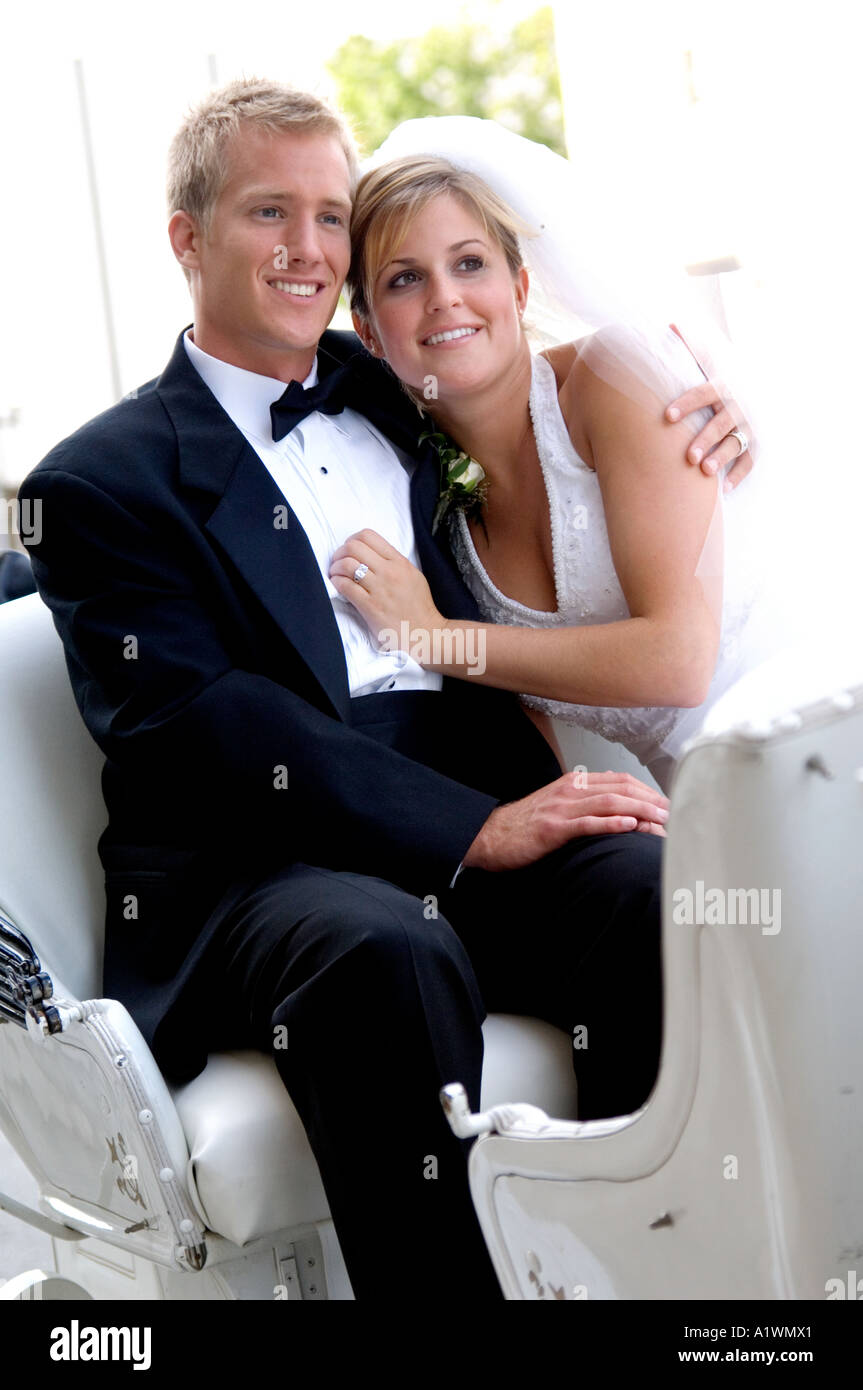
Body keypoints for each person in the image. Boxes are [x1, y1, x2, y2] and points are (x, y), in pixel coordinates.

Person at [18, 80, 721, 1303]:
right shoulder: (100, 482)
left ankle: (646, 1281)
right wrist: (476, 828)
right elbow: (215, 726)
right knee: (379, 949)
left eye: (330, 218)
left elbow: (519, 372)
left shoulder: (390, 381)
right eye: (266, 214)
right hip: (265, 863)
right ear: (186, 238)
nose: (307, 250)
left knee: (638, 882)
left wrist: (685, 398)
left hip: (465, 801)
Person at [340, 118, 775, 793]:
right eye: (403, 279)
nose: (444, 297)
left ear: (517, 288)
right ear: (366, 330)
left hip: (810, 745)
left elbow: (677, 662)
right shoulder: (427, 505)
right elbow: (519, 721)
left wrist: (435, 638)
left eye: (468, 263)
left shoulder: (616, 380)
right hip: (692, 816)